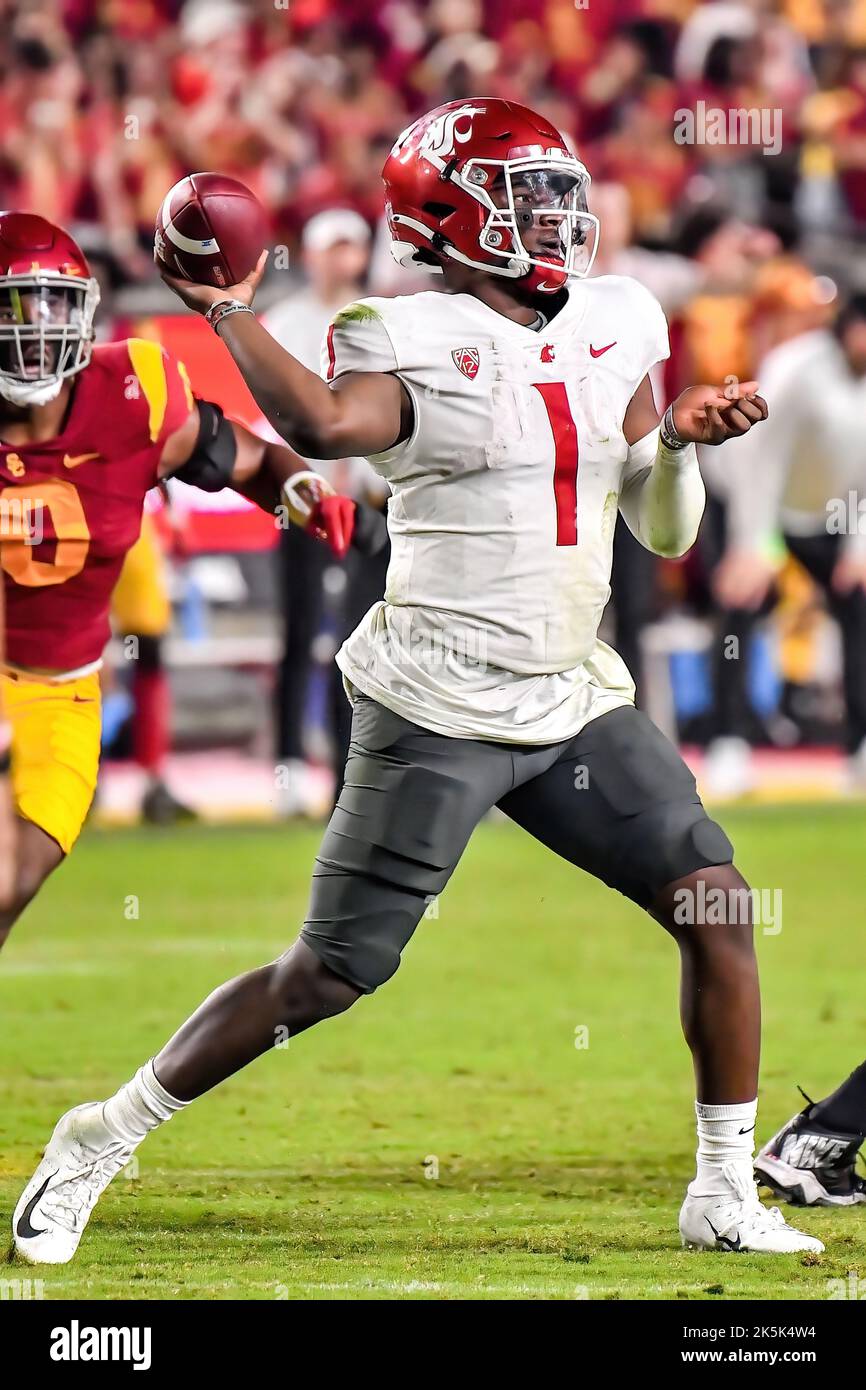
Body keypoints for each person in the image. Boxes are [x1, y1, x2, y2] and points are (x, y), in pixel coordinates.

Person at [13, 99, 821, 1264]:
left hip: (568, 694)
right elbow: (325, 424)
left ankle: (718, 1189)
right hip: (437, 699)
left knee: (716, 904)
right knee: (328, 974)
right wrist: (229, 314)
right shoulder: (399, 332)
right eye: (523, 192)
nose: (555, 211)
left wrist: (680, 445)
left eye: (555, 187)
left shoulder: (620, 315)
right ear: (453, 213)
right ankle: (102, 1130)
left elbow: (661, 535)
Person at [0, 210, 357, 954]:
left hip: (59, 695)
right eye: (15, 309)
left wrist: (297, 489)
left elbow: (246, 458)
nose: (34, 331)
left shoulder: (130, 395)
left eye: (50, 307)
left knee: (8, 888)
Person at [713, 290, 866, 791]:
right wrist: (754, 544)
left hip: (836, 518)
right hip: (766, 509)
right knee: (740, 609)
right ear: (845, 327)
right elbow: (762, 456)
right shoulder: (796, 368)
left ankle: (860, 747)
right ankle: (729, 743)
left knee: (858, 608)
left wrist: (858, 548)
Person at [263, 208, 388, 814]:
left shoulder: (380, 318)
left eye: (352, 247)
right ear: (311, 254)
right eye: (333, 247)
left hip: (365, 503)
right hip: (306, 501)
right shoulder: (285, 324)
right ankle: (287, 763)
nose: (344, 259)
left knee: (355, 641)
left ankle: (348, 771)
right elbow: (277, 416)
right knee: (300, 627)